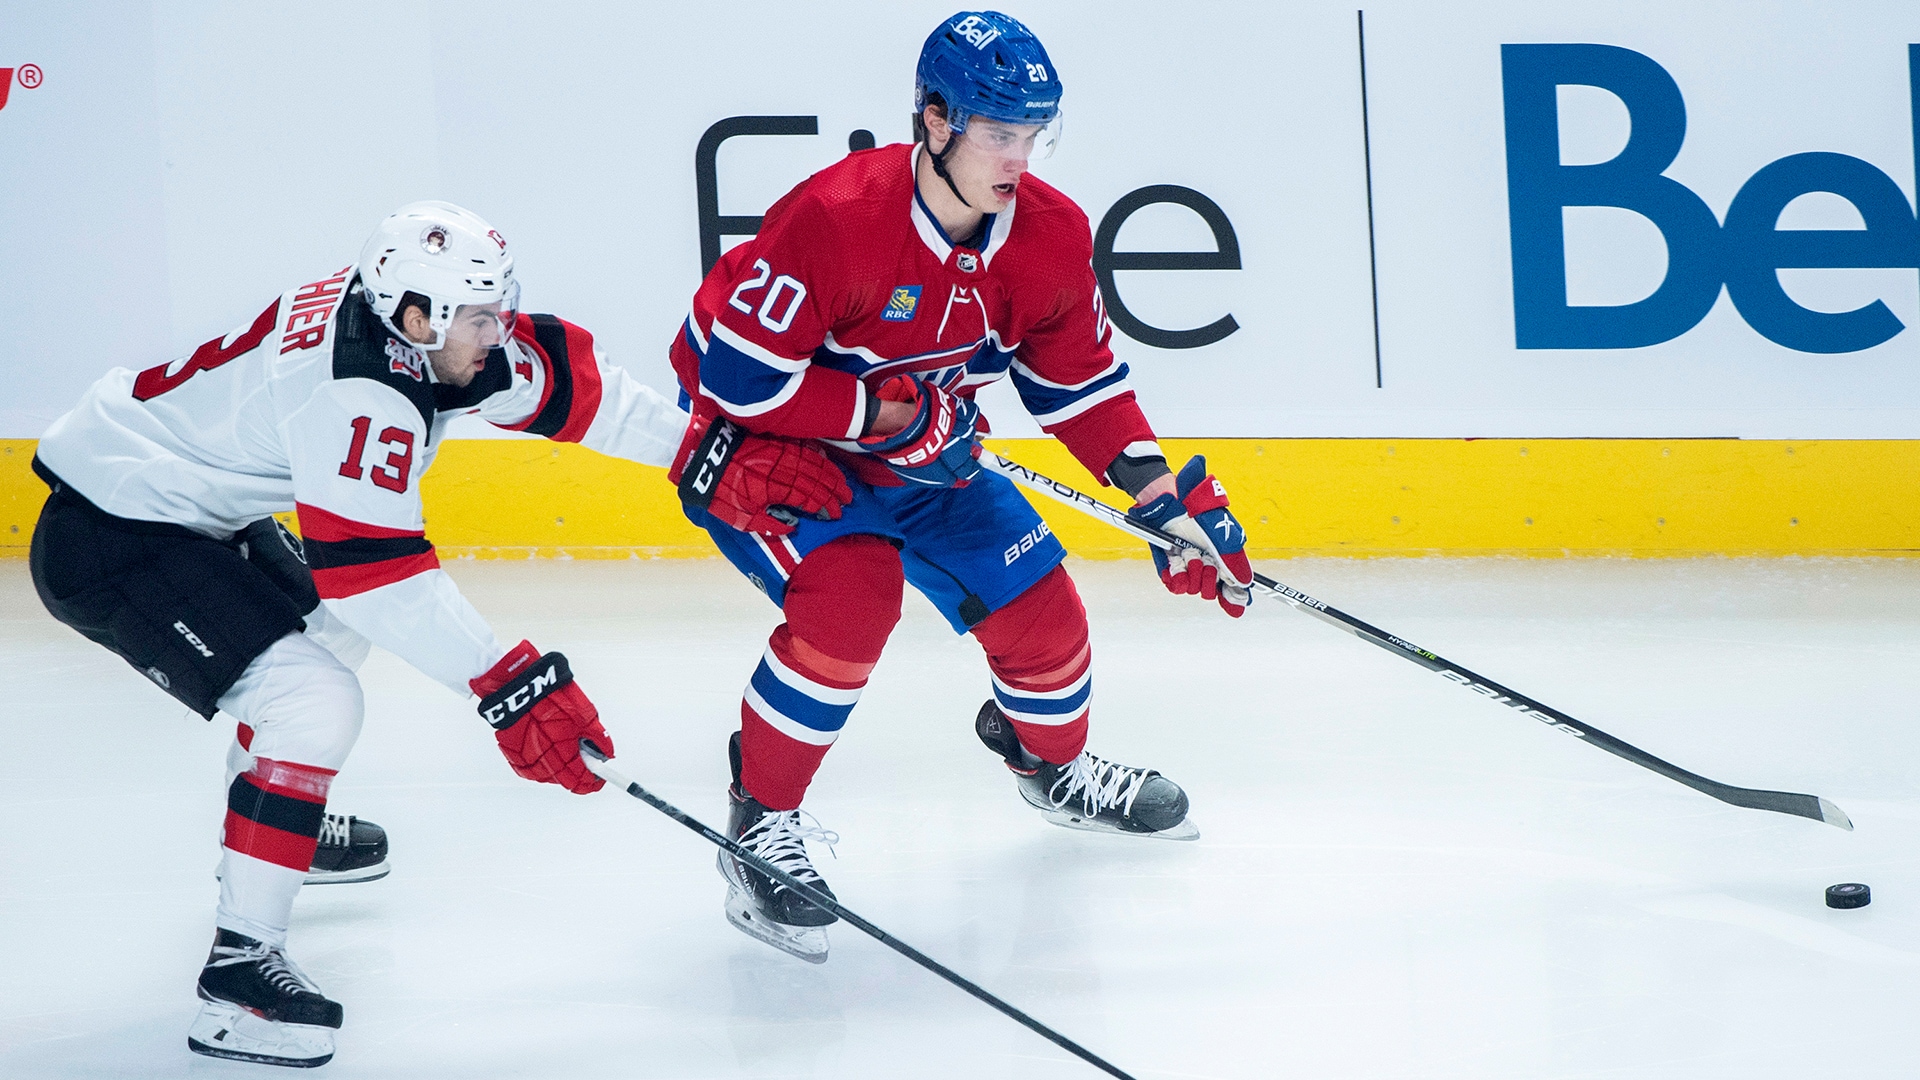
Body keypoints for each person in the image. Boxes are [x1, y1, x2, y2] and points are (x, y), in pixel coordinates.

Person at [28, 201, 850, 1066]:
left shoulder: (420, 331)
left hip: (185, 505)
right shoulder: (358, 392)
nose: (499, 332)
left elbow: (571, 391)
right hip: (114, 531)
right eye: (480, 318)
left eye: (499, 308)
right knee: (314, 699)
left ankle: (271, 836)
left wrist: (703, 451)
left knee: (329, 636)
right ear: (417, 319)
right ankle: (237, 976)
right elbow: (377, 577)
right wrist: (510, 687)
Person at [666, 11, 1255, 964]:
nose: (1019, 159)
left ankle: (1051, 771)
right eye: (998, 133)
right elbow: (736, 379)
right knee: (853, 603)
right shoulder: (836, 217)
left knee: (1045, 617)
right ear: (935, 120)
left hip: (925, 455)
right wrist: (887, 418)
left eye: (1034, 135)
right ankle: (759, 822)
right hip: (770, 445)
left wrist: (1161, 501)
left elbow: (1082, 387)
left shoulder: (1052, 234)